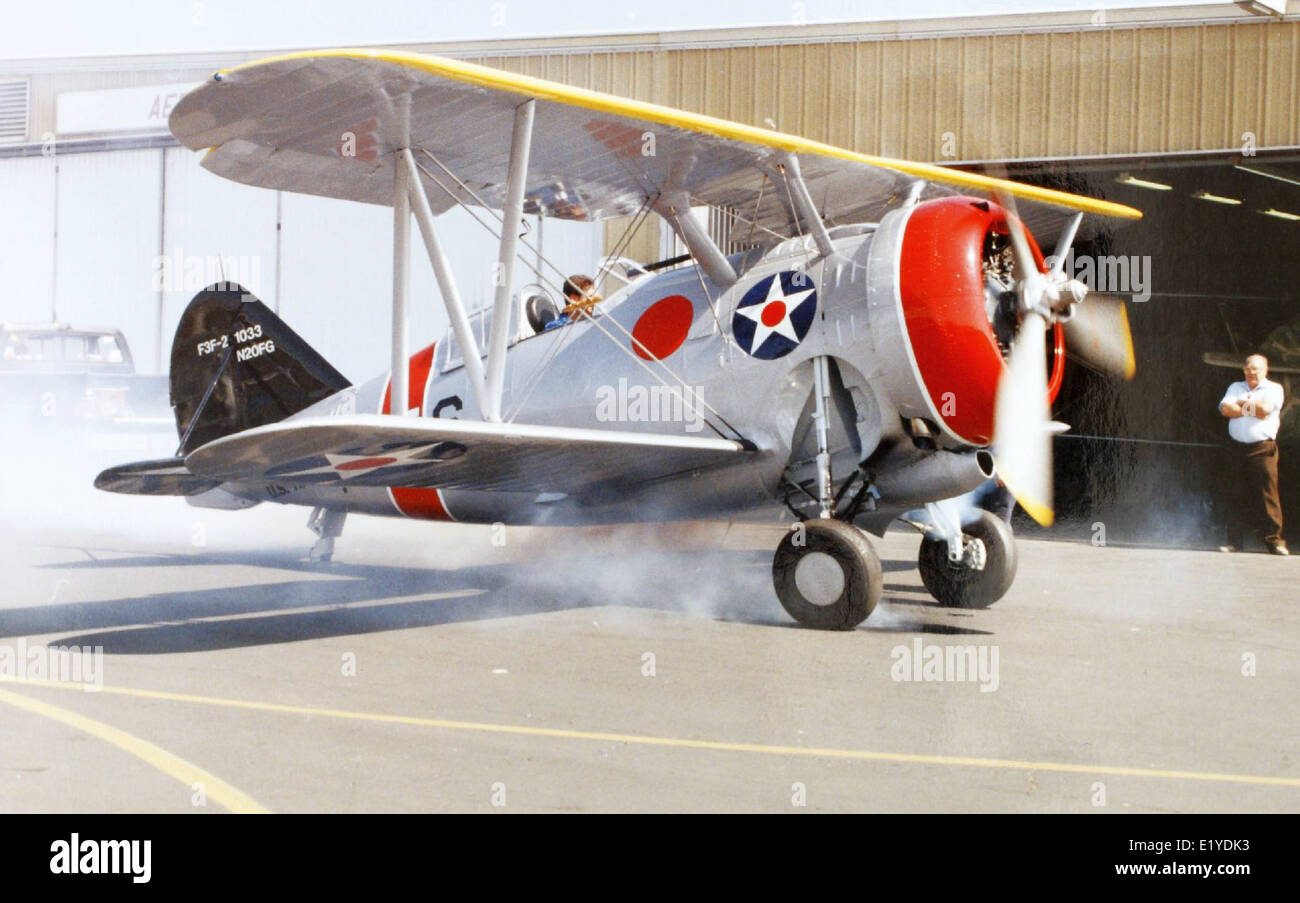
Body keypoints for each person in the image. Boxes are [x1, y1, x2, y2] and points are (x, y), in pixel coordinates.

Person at [1218, 354, 1287, 555]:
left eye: (1255, 369)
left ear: (1265, 370)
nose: (1251, 372)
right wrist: (1250, 408)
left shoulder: (1274, 388)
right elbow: (1225, 410)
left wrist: (1239, 406)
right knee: (1235, 494)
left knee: (1268, 495)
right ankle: (1234, 542)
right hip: (1237, 448)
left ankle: (1275, 542)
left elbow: (1265, 410)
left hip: (1262, 449)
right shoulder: (1235, 387)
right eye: (1248, 369)